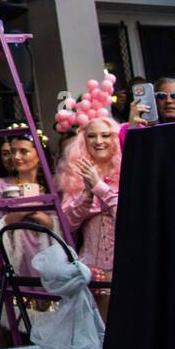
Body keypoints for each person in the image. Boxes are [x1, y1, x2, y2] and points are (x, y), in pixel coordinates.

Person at [55, 116, 122, 321]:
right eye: (91, 136)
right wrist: (86, 197)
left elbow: (128, 219)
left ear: (116, 139)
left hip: (128, 266)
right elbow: (66, 225)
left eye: (105, 135)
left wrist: (99, 187)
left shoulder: (131, 170)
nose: (98, 141)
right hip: (91, 271)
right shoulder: (74, 175)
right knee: (97, 331)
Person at [0, 134, 59, 281]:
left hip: (50, 256)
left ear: (39, 155)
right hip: (17, 257)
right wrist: (30, 209)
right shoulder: (0, 185)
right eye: (13, 151)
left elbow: (62, 224)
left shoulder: (53, 185)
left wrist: (26, 210)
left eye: (23, 151)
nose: (16, 157)